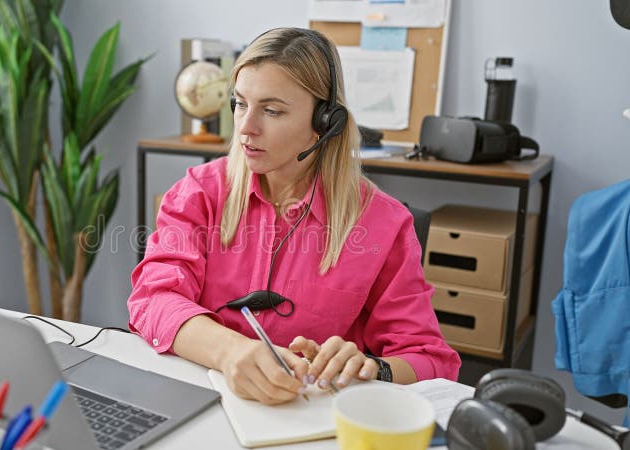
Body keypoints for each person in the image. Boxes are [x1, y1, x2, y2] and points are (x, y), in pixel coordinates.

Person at [128, 27, 460, 405]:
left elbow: (431, 359)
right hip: (203, 399)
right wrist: (230, 351)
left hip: (309, 415)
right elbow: (153, 300)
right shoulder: (199, 192)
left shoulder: (384, 224)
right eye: (239, 103)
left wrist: (374, 367)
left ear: (325, 122)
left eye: (272, 110)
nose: (245, 127)